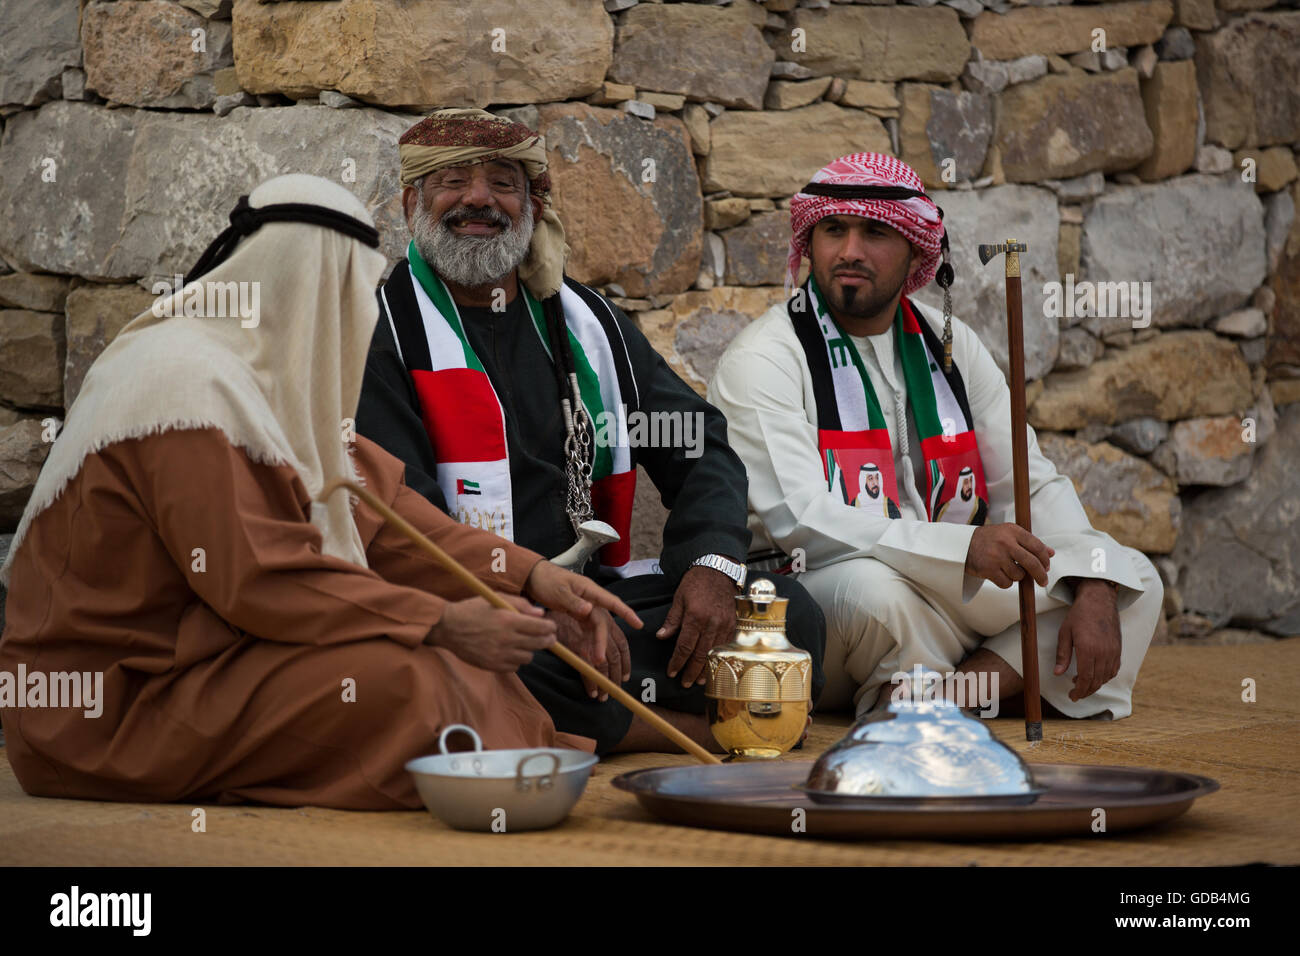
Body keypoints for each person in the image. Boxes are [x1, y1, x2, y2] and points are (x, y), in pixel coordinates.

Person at [0, 174, 644, 810]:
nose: (358, 317)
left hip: (211, 657)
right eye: (349, 294)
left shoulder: (267, 379)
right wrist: (441, 622)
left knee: (464, 665)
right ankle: (508, 768)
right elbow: (258, 581)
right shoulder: (180, 382)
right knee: (415, 677)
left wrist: (531, 576)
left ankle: (511, 761)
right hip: (116, 706)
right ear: (305, 286)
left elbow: (390, 522)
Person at [356, 109, 825, 753]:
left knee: (787, 613)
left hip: (599, 599)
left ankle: (598, 716)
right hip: (482, 601)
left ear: (532, 203)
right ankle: (657, 729)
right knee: (484, 660)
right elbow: (406, 524)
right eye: (452, 181)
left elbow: (697, 443)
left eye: (502, 182)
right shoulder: (386, 334)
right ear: (413, 200)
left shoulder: (585, 322)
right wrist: (538, 597)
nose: (478, 199)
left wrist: (711, 568)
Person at [708, 153, 1161, 719]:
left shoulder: (951, 346)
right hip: (826, 591)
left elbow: (1029, 484)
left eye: (875, 232)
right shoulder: (767, 356)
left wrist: (1093, 583)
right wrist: (965, 550)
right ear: (811, 240)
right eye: (834, 230)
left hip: (950, 585)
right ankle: (998, 676)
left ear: (918, 251)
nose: (850, 251)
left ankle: (942, 697)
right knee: (876, 595)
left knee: (1132, 577)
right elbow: (801, 520)